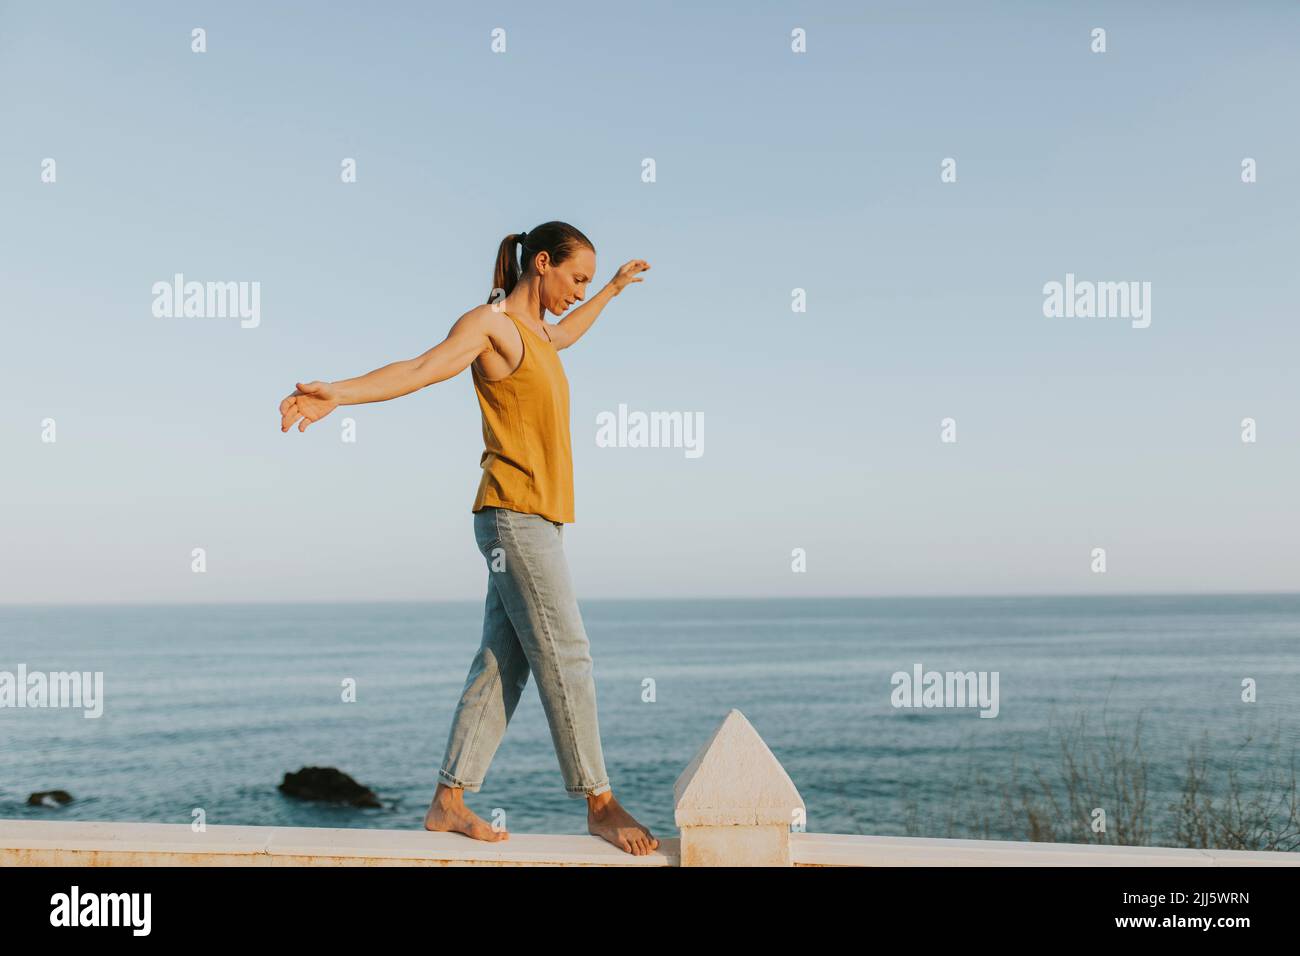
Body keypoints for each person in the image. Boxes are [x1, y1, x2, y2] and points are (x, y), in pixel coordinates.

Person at [278, 221, 658, 855]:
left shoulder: (538, 332)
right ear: (543, 263)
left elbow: (565, 333)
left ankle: (447, 802)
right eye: (577, 277)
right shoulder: (491, 327)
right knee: (568, 653)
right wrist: (336, 395)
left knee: (501, 664)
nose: (578, 290)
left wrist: (613, 290)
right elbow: (422, 369)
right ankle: (599, 803)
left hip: (535, 520)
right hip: (514, 515)